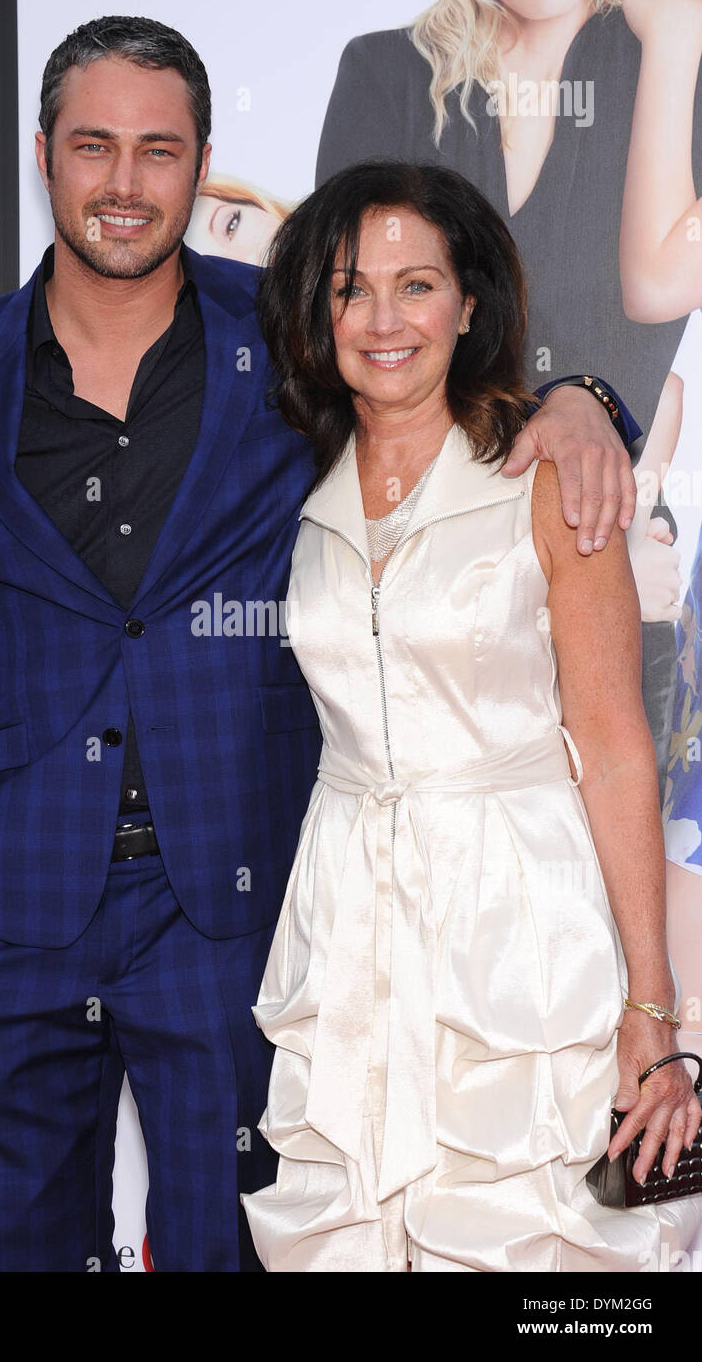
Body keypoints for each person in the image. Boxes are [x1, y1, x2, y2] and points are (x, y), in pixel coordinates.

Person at [0, 15, 640, 1274]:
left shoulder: (286, 342)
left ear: (202, 159)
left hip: (232, 916)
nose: (124, 183)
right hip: (2, 913)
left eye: (158, 151)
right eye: (94, 147)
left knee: (240, 1253)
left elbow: (449, 375)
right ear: (44, 156)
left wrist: (583, 400)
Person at [240, 160, 702, 1272]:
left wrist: (652, 1007)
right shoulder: (289, 482)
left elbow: (613, 748)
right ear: (317, 310)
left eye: (417, 284)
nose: (383, 318)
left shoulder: (546, 477)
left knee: (527, 1239)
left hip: (518, 928)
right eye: (352, 287)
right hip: (347, 915)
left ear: (469, 304)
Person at [315, 0, 702, 800]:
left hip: (605, 570)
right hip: (423, 593)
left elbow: (656, 287)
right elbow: (336, 325)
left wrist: (675, 40)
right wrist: (561, 402)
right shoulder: (386, 72)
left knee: (604, 907)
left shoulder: (681, 58)